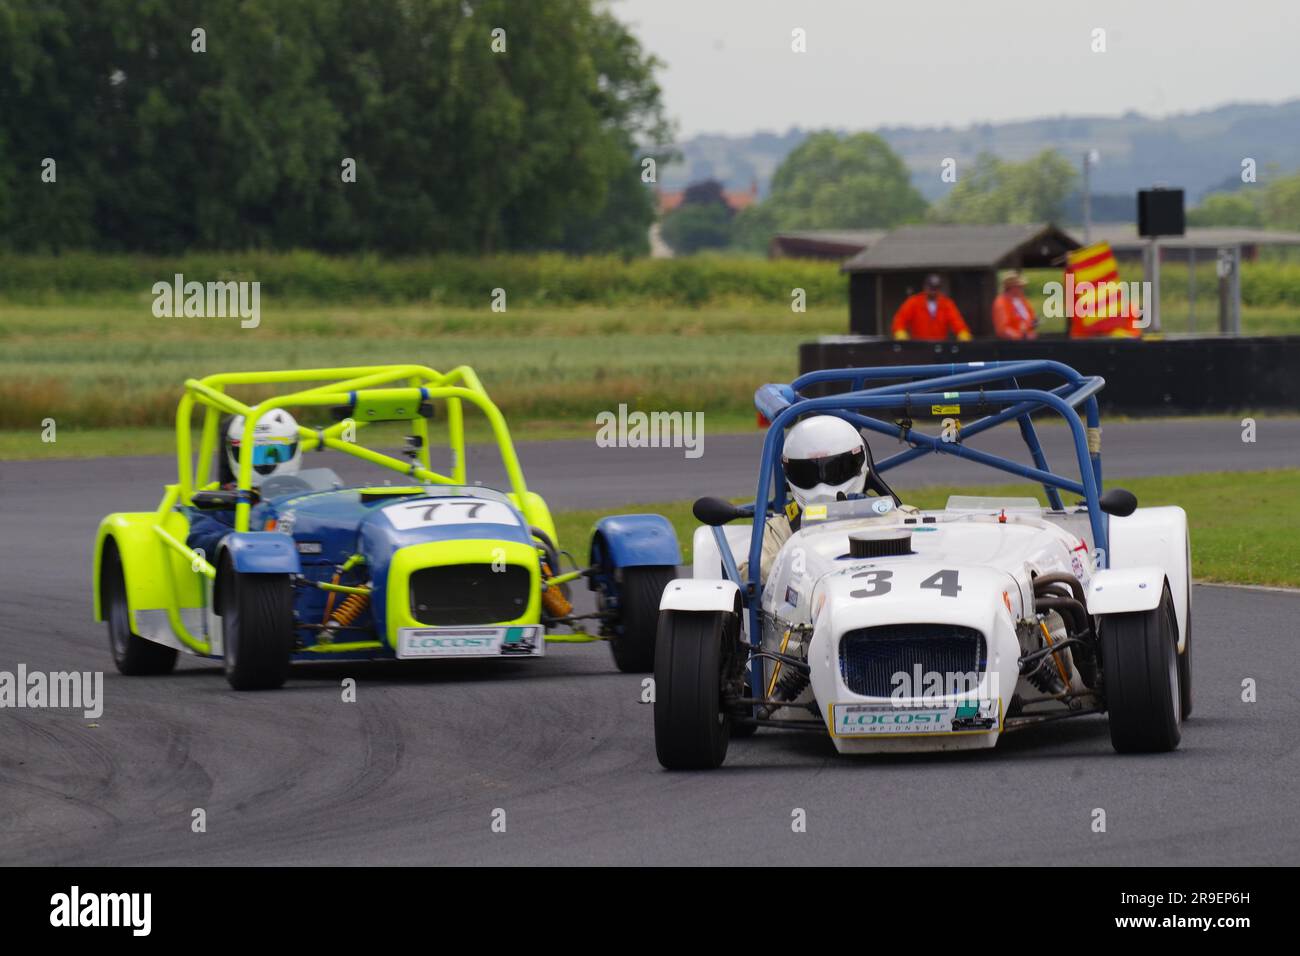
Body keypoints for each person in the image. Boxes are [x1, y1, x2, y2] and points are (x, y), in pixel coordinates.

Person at [743, 416, 907, 583]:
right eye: (807, 474)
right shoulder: (778, 530)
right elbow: (751, 576)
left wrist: (871, 519)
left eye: (835, 470)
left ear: (859, 463)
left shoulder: (897, 516)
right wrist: (794, 558)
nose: (821, 488)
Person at [186, 411, 303, 557]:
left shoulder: (307, 497)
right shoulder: (223, 506)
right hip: (250, 575)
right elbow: (199, 543)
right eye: (254, 455)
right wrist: (246, 539)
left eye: (274, 453)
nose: (265, 463)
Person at [891, 274, 972, 341]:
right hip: (918, 347)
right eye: (931, 287)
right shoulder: (914, 302)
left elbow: (957, 322)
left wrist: (963, 333)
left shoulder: (946, 304)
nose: (933, 290)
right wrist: (900, 333)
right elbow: (900, 320)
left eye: (936, 288)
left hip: (940, 347)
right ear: (925, 286)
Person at [991, 271, 1037, 340]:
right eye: (1019, 286)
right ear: (1011, 287)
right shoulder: (1001, 303)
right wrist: (1020, 336)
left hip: (1026, 342)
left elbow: (1031, 318)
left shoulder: (1022, 300)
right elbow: (1003, 330)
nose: (1022, 289)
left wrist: (1032, 324)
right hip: (1011, 345)